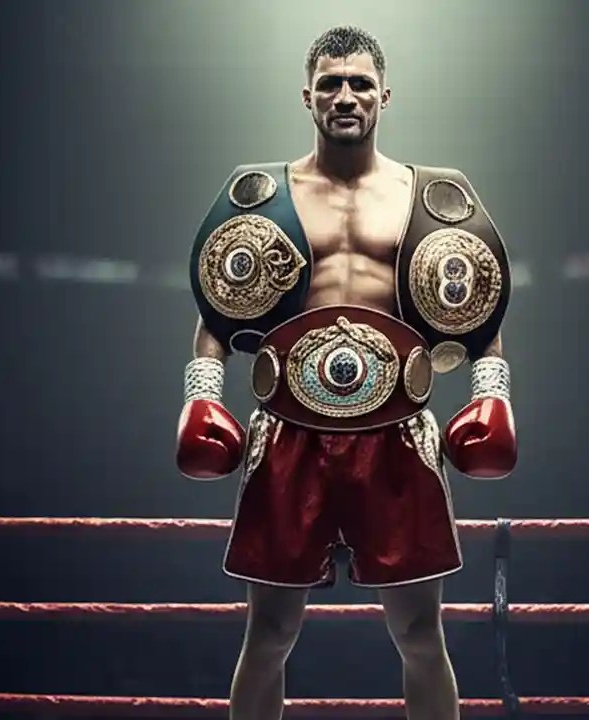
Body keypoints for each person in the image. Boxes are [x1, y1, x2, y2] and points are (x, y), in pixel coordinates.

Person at [175, 25, 517, 720]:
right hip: (289, 436)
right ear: (308, 96)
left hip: (396, 435)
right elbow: (217, 310)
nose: (345, 95)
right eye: (330, 83)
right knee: (268, 635)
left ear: (384, 95)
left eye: (359, 83)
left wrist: (493, 395)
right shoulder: (263, 195)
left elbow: (481, 307)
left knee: (421, 635)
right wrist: (201, 396)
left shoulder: (429, 196)